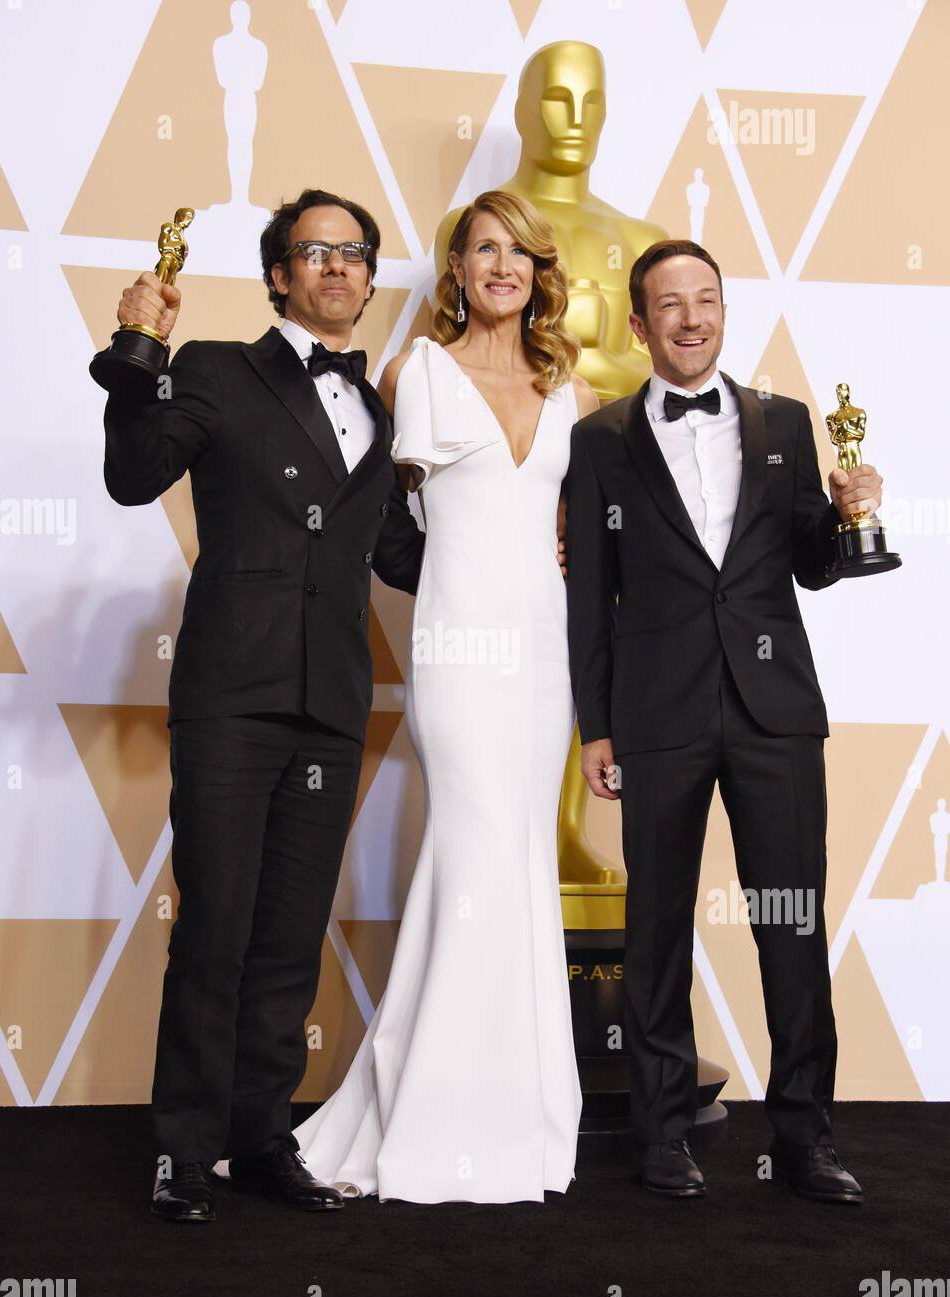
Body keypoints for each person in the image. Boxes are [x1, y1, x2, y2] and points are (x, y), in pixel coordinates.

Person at [94, 188, 425, 1221]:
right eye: (313, 251)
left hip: (331, 701)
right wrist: (138, 346)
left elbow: (395, 554)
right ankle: (182, 1152)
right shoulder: (218, 371)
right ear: (279, 272)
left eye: (354, 252)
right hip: (230, 696)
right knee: (216, 929)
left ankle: (261, 1137)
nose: (336, 266)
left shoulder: (380, 411)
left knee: (289, 933)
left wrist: (509, 527)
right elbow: (131, 472)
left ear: (370, 278)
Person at [278, 190, 598, 1203]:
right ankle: (437, 1112)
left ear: (536, 271)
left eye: (517, 251)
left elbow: (574, 529)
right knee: (470, 849)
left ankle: (522, 1114)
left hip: (542, 658)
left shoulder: (570, 387)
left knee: (513, 864)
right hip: (458, 652)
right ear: (454, 270)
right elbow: (382, 525)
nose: (501, 265)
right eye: (481, 248)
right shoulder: (415, 371)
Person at [565, 238, 883, 1203]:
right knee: (657, 930)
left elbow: (813, 564)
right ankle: (663, 1135)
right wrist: (595, 726)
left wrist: (848, 513)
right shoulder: (600, 440)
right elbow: (591, 597)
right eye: (670, 304)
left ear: (723, 313)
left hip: (773, 711)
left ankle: (804, 1139)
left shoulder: (785, 423)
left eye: (706, 300)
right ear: (640, 323)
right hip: (656, 714)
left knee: (790, 927)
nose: (691, 318)